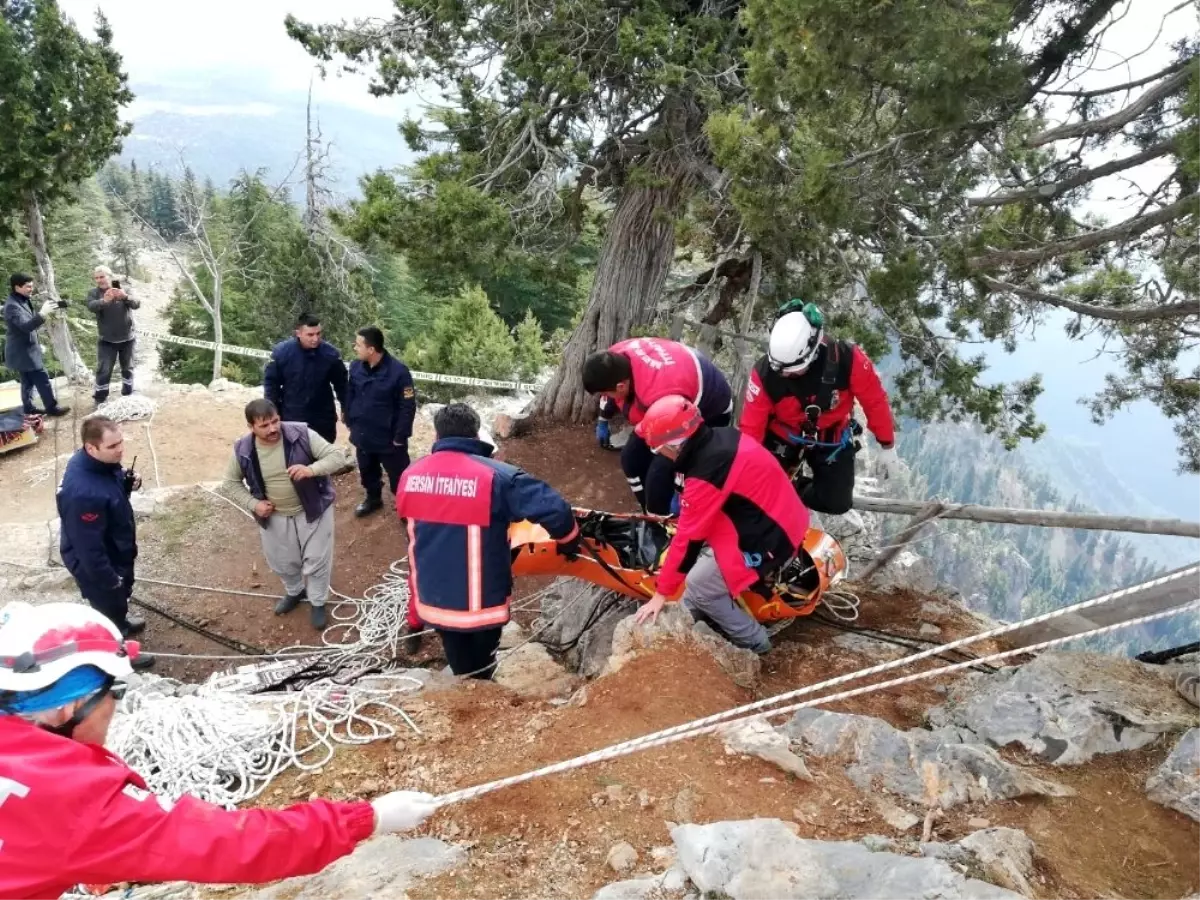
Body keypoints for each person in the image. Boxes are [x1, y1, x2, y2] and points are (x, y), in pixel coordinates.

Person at [0, 601, 439, 900]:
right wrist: (370, 818)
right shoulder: (78, 802)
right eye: (114, 689)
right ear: (67, 707)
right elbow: (234, 844)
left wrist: (89, 858)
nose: (117, 704)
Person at [396, 403, 580, 678]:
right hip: (481, 607)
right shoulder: (497, 477)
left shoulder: (410, 475)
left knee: (459, 661)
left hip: (433, 601)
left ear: (437, 437)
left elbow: (410, 523)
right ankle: (480, 691)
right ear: (476, 436)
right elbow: (555, 510)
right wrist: (569, 541)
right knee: (481, 668)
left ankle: (464, 682)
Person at [633, 395, 810, 655]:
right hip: (781, 515)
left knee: (700, 584)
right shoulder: (721, 438)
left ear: (675, 446)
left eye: (659, 449)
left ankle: (756, 642)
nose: (659, 455)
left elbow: (688, 539)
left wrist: (661, 594)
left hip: (772, 537)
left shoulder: (706, 472)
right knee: (695, 589)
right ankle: (695, 607)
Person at [739, 301, 899, 515]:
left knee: (837, 502)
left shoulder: (847, 360)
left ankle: (792, 488)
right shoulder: (765, 374)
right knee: (755, 492)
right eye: (781, 370)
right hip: (785, 435)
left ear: (812, 353)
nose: (785, 375)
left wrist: (887, 444)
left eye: (793, 371)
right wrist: (749, 469)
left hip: (831, 435)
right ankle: (781, 489)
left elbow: (875, 401)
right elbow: (752, 428)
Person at [220, 399, 346, 630]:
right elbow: (229, 483)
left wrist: (311, 469)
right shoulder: (243, 449)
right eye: (264, 425)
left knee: (317, 559)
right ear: (251, 427)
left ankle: (318, 601)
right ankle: (295, 591)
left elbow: (337, 456)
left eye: (275, 421)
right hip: (275, 515)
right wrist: (253, 504)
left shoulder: (301, 433)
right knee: (283, 562)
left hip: (313, 508)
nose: (273, 429)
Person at [583, 337, 732, 515]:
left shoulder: (657, 394)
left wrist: (679, 487)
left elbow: (676, 446)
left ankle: (664, 521)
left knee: (660, 473)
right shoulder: (615, 357)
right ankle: (650, 512)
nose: (606, 396)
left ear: (621, 386)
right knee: (631, 458)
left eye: (606, 393)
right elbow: (611, 394)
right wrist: (603, 419)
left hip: (708, 411)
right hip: (674, 397)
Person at [57, 416, 154, 669]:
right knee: (107, 607)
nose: (120, 450)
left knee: (120, 600)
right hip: (100, 565)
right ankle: (116, 655)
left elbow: (110, 483)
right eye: (113, 447)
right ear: (92, 448)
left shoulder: (96, 463)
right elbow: (88, 548)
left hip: (116, 550)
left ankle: (120, 621)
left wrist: (126, 481)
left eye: (121, 442)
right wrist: (109, 579)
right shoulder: (82, 493)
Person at [345, 326, 416, 518]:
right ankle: (373, 498)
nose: (355, 348)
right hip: (364, 434)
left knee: (399, 477)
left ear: (371, 349)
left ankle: (407, 508)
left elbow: (407, 406)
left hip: (389, 438)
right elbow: (350, 394)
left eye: (358, 345)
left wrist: (400, 436)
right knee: (367, 471)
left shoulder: (399, 372)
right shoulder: (355, 367)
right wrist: (349, 418)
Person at [263, 313, 349, 444]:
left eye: (318, 334)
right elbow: (271, 385)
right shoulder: (282, 353)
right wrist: (272, 412)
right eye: (310, 335)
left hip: (323, 417)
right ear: (298, 333)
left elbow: (342, 384)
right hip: (292, 415)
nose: (315, 338)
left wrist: (346, 407)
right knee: (294, 457)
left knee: (323, 458)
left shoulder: (330, 354)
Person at [3, 273, 69, 417]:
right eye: (28, 287)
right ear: (17, 287)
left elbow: (28, 320)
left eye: (32, 286)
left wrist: (55, 307)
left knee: (27, 382)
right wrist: (43, 314)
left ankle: (29, 408)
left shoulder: (22, 300)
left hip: (26, 348)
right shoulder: (12, 306)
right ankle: (52, 408)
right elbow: (26, 326)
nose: (31, 289)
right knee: (42, 378)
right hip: (23, 352)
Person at [85, 265, 140, 405]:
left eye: (102, 276)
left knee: (128, 369)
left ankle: (127, 395)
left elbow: (137, 304)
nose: (99, 280)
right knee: (103, 371)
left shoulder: (124, 289)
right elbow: (91, 306)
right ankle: (100, 399)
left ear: (110, 276)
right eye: (96, 278)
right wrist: (105, 301)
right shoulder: (94, 292)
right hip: (106, 340)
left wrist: (125, 296)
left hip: (128, 339)